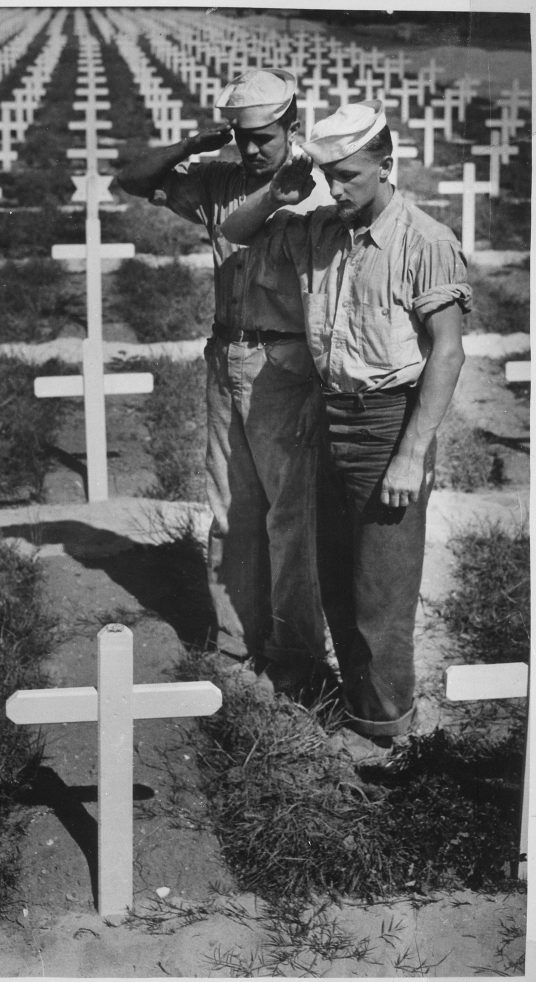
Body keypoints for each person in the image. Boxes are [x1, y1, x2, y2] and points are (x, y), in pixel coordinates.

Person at [220, 101, 470, 746]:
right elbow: (242, 233)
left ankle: (387, 733)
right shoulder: (325, 229)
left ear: (388, 167)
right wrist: (281, 190)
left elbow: (447, 351)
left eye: (352, 176)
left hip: (390, 423)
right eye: (332, 177)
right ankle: (357, 706)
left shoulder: (425, 240)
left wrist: (411, 453)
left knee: (380, 590)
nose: (339, 189)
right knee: (334, 573)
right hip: (329, 414)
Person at [117, 69, 335, 697]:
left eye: (263, 137)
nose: (252, 150)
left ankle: (295, 654)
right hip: (226, 355)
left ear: (292, 124)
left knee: (289, 516)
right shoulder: (221, 178)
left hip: (287, 366)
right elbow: (130, 180)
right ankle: (239, 642)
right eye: (242, 137)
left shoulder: (318, 191)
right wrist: (196, 144)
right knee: (229, 507)